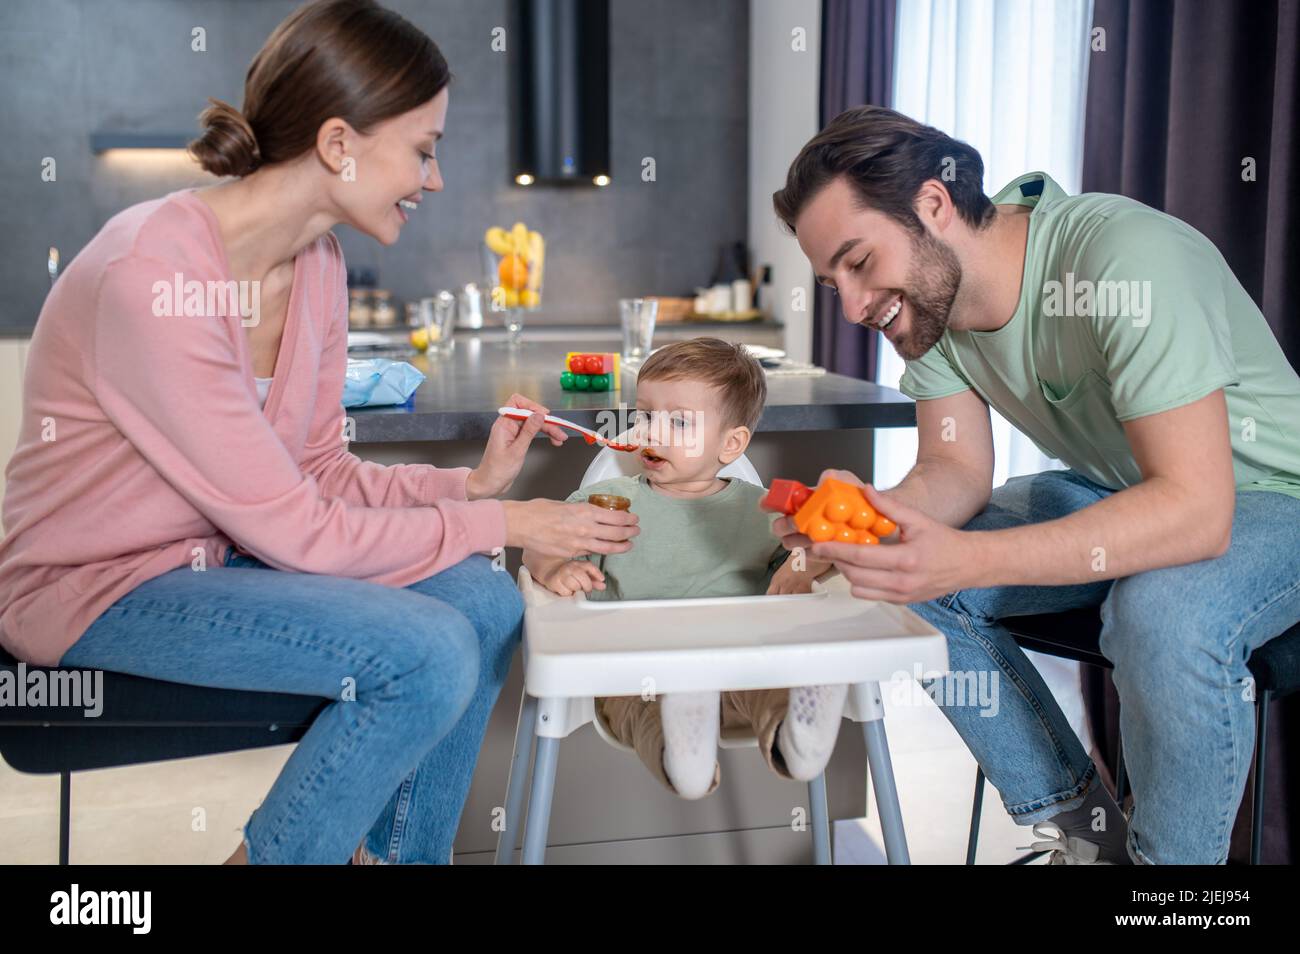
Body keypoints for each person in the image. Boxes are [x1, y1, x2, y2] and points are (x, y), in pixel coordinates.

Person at [0, 0, 639, 864]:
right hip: (95, 592)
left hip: (217, 562)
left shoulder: (318, 263)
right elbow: (296, 530)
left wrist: (469, 489)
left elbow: (317, 474)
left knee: (483, 604)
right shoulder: (154, 276)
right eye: (424, 148)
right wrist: (508, 525)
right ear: (340, 144)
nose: (436, 177)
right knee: (426, 651)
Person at [771, 104, 1300, 864]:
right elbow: (954, 470)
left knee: (1160, 613)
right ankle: (1093, 840)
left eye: (859, 263)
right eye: (832, 284)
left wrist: (966, 558)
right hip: (1121, 491)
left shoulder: (1123, 258)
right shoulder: (935, 312)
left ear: (933, 204)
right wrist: (864, 520)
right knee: (902, 576)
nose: (853, 307)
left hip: (1273, 498)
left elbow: (1195, 512)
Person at [524, 338, 845, 799]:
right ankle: (685, 752)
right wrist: (553, 569)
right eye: (645, 415)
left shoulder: (761, 513)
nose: (651, 433)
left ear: (731, 443)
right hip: (629, 673)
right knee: (646, 707)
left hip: (739, 668)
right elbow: (541, 543)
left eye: (677, 422)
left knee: (771, 685)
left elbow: (818, 552)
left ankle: (798, 735)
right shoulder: (606, 503)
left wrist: (803, 563)